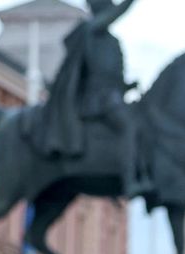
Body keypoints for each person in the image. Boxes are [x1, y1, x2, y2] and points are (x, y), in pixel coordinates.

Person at [27, 0, 151, 197]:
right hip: (98, 99)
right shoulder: (91, 29)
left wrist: (128, 86)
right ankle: (130, 181)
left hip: (113, 96)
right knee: (129, 126)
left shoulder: (110, 41)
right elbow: (98, 77)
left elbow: (111, 75)